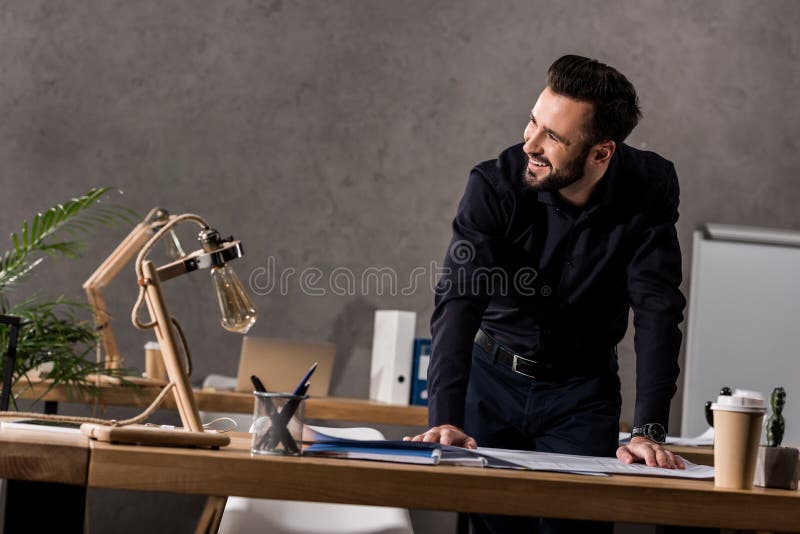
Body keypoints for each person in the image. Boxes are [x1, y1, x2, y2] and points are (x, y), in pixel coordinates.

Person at [405, 55, 687, 534]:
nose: (530, 143)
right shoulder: (493, 185)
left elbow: (658, 308)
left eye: (552, 136)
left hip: (584, 393)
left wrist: (648, 431)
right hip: (491, 382)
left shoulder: (649, 186)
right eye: (532, 121)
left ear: (602, 153)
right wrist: (446, 419)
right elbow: (459, 301)